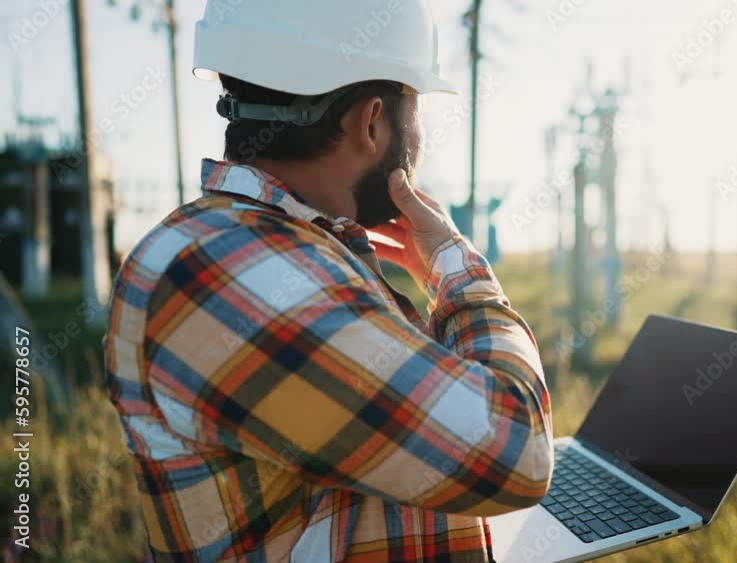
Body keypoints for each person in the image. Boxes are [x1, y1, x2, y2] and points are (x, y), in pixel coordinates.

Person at [103, 1, 553, 561]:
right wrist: (459, 272)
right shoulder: (244, 274)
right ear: (369, 121)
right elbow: (519, 452)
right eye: (415, 111)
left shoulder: (247, 251)